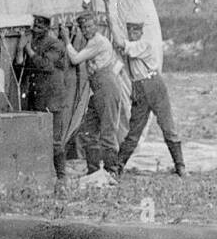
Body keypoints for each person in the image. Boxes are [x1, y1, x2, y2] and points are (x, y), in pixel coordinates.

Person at [113, 18, 185, 177]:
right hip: (139, 89)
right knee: (133, 132)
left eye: (136, 31)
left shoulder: (144, 45)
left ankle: (180, 166)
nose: (133, 34)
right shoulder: (130, 48)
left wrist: (109, 9)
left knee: (168, 127)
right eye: (130, 31)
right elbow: (118, 59)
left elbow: (120, 42)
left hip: (154, 86)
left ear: (141, 32)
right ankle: (117, 168)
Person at [64, 12, 131, 176]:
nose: (87, 30)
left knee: (108, 132)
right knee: (87, 131)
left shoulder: (98, 42)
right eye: (83, 28)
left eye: (89, 26)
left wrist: (66, 41)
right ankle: (94, 171)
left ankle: (112, 172)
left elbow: (75, 59)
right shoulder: (93, 41)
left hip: (106, 86)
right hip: (98, 88)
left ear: (96, 26)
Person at [14, 13, 69, 187]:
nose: (36, 30)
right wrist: (19, 51)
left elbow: (45, 65)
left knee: (55, 141)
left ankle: (62, 177)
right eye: (34, 27)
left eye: (40, 27)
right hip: (37, 97)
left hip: (52, 99)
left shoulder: (56, 44)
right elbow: (21, 69)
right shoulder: (35, 43)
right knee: (36, 138)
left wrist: (28, 49)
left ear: (47, 28)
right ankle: (39, 176)